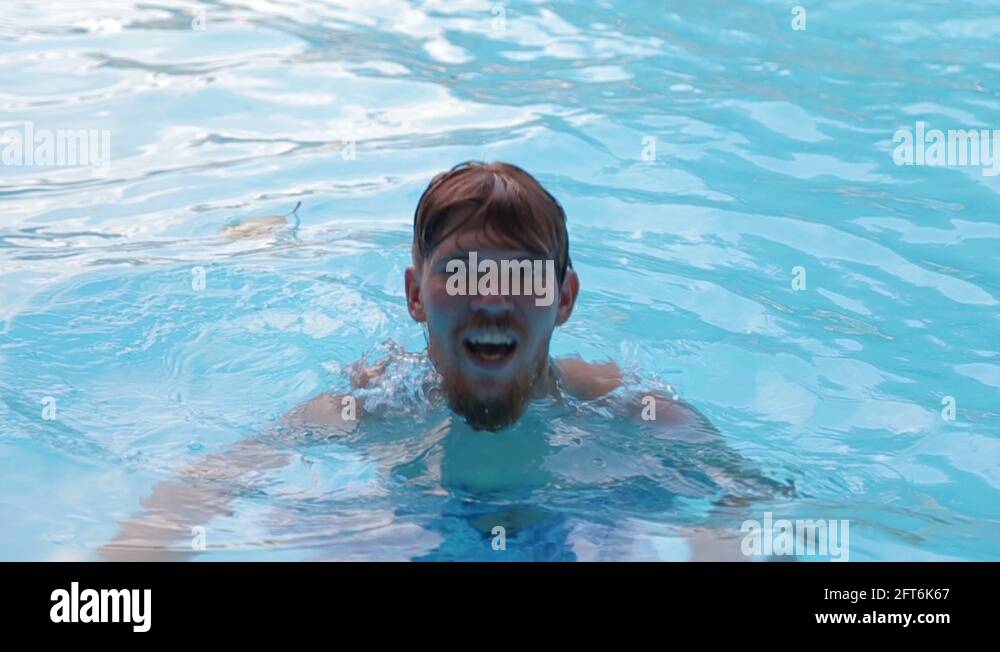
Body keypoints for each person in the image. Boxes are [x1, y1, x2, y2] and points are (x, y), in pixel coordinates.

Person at [101, 161, 782, 561]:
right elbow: (202, 489)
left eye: (520, 277)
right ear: (415, 296)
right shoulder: (367, 409)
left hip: (577, 528)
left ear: (564, 299)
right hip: (407, 525)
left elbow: (746, 501)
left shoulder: (630, 411)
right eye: (460, 274)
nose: (491, 300)